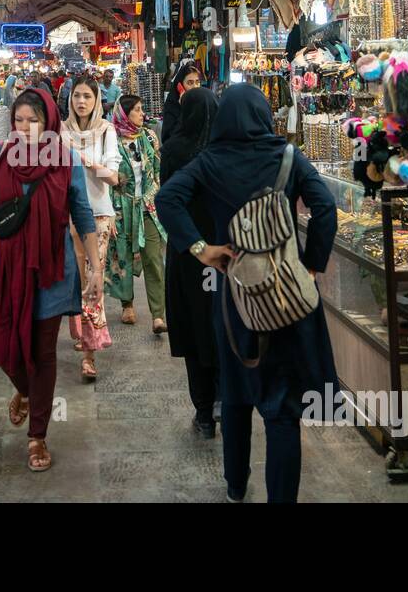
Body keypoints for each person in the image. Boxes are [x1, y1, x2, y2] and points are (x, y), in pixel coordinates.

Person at [154, 84, 338, 503]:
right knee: (283, 409)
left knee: (236, 395)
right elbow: (325, 207)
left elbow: (167, 199)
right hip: (289, 300)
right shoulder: (288, 158)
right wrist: (310, 266)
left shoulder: (209, 162)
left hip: (234, 297)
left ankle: (236, 486)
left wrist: (202, 249)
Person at [0, 88, 101, 473]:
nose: (24, 129)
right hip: (7, 266)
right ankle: (24, 390)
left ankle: (37, 435)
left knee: (43, 353)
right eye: (19, 120)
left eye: (33, 121)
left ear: (49, 123)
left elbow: (83, 215)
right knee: (0, 336)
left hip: (51, 270)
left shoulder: (65, 159)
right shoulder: (1, 155)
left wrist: (96, 268)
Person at [159, 87, 220, 438]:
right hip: (222, 253)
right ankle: (223, 399)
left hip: (187, 252)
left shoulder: (174, 149)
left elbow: (168, 197)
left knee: (194, 327)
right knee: (221, 324)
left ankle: (203, 413)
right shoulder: (225, 152)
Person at [60, 76, 120, 381]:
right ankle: (81, 333)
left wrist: (80, 158)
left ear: (97, 100)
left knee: (91, 284)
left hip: (97, 215)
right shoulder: (60, 131)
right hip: (66, 216)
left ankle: (89, 354)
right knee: (74, 279)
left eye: (87, 96)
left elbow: (113, 176)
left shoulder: (106, 131)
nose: (81, 102)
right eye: (76, 96)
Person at [106, 94, 167, 333]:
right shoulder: (111, 141)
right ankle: (127, 305)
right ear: (125, 114)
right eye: (138, 110)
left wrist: (154, 193)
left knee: (153, 257)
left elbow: (158, 170)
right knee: (122, 257)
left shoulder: (150, 138)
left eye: (142, 109)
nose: (143, 114)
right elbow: (108, 179)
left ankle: (158, 315)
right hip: (121, 209)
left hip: (147, 208)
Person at [159, 61, 202, 144]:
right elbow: (169, 139)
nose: (195, 87)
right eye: (190, 83)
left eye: (197, 82)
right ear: (180, 86)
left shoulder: (203, 103)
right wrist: (184, 107)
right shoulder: (172, 106)